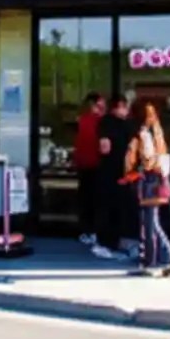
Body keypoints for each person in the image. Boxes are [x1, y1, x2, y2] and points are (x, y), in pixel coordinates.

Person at [125, 99, 170, 276]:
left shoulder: (143, 134)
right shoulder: (157, 132)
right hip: (158, 179)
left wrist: (136, 168)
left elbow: (148, 159)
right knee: (152, 222)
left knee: (149, 224)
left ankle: (153, 262)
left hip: (149, 179)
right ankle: (166, 259)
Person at [93, 97, 131, 259]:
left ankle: (107, 241)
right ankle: (113, 240)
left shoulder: (106, 123)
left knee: (108, 206)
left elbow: (104, 148)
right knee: (116, 207)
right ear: (118, 107)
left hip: (110, 171)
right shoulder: (125, 125)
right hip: (121, 171)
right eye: (125, 107)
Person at [72, 92, 105, 247]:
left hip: (84, 165)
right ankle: (94, 231)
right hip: (96, 166)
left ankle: (87, 230)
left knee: (86, 200)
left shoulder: (82, 121)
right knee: (96, 200)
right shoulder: (100, 122)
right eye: (101, 104)